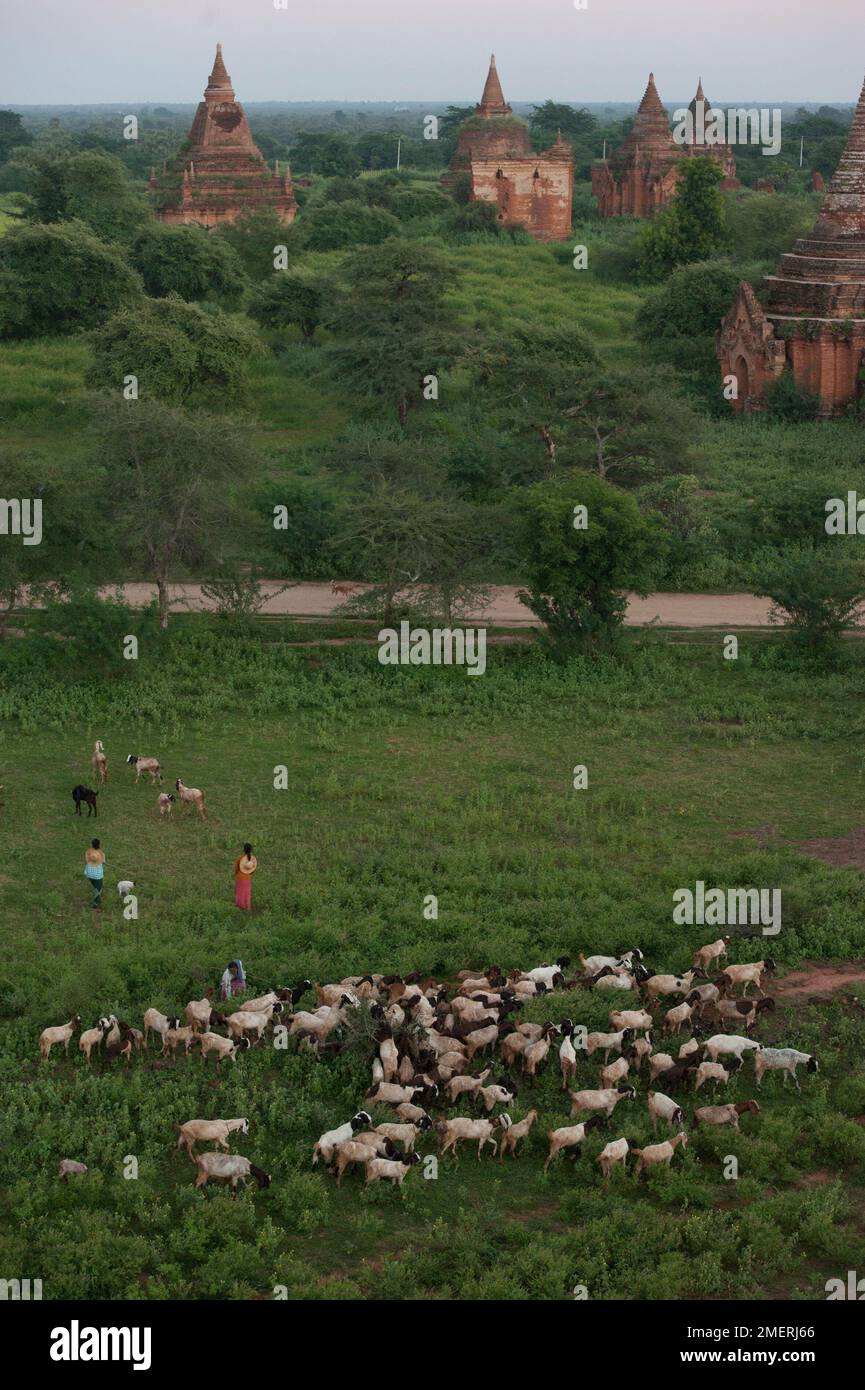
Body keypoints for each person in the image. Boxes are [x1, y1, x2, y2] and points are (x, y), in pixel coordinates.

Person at [233, 842, 257, 910]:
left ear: (243, 849)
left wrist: (236, 874)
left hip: (240, 878)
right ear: (251, 850)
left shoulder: (239, 858)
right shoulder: (252, 860)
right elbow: (253, 869)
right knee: (247, 892)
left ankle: (240, 906)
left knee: (240, 892)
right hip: (248, 878)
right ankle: (247, 907)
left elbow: (236, 868)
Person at [84, 838, 105, 909]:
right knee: (98, 889)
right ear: (99, 844)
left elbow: (87, 860)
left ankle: (96, 899)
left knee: (94, 887)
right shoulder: (101, 853)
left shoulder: (88, 851)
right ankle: (97, 904)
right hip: (97, 875)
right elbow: (103, 861)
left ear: (91, 844)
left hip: (89, 873)